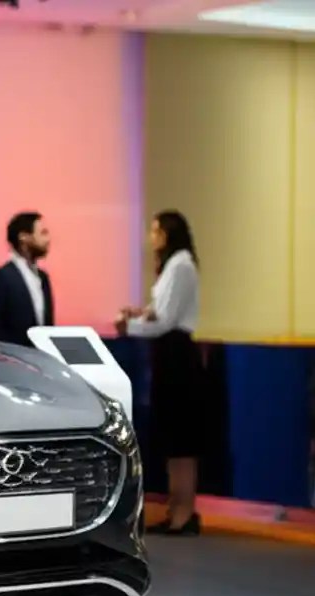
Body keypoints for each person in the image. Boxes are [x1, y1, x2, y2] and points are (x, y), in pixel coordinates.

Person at [116, 210, 203, 535]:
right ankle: (176, 509)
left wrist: (131, 326)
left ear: (168, 233)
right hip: (170, 355)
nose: (151, 237)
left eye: (156, 230)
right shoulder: (175, 265)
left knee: (181, 438)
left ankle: (184, 512)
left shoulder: (180, 264)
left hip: (177, 356)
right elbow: (164, 312)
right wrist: (143, 314)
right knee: (172, 435)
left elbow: (167, 321)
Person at [0, 211, 54, 347]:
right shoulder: (0, 278)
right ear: (23, 237)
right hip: (13, 363)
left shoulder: (43, 278)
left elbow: (48, 329)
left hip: (42, 363)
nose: (48, 239)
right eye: (42, 233)